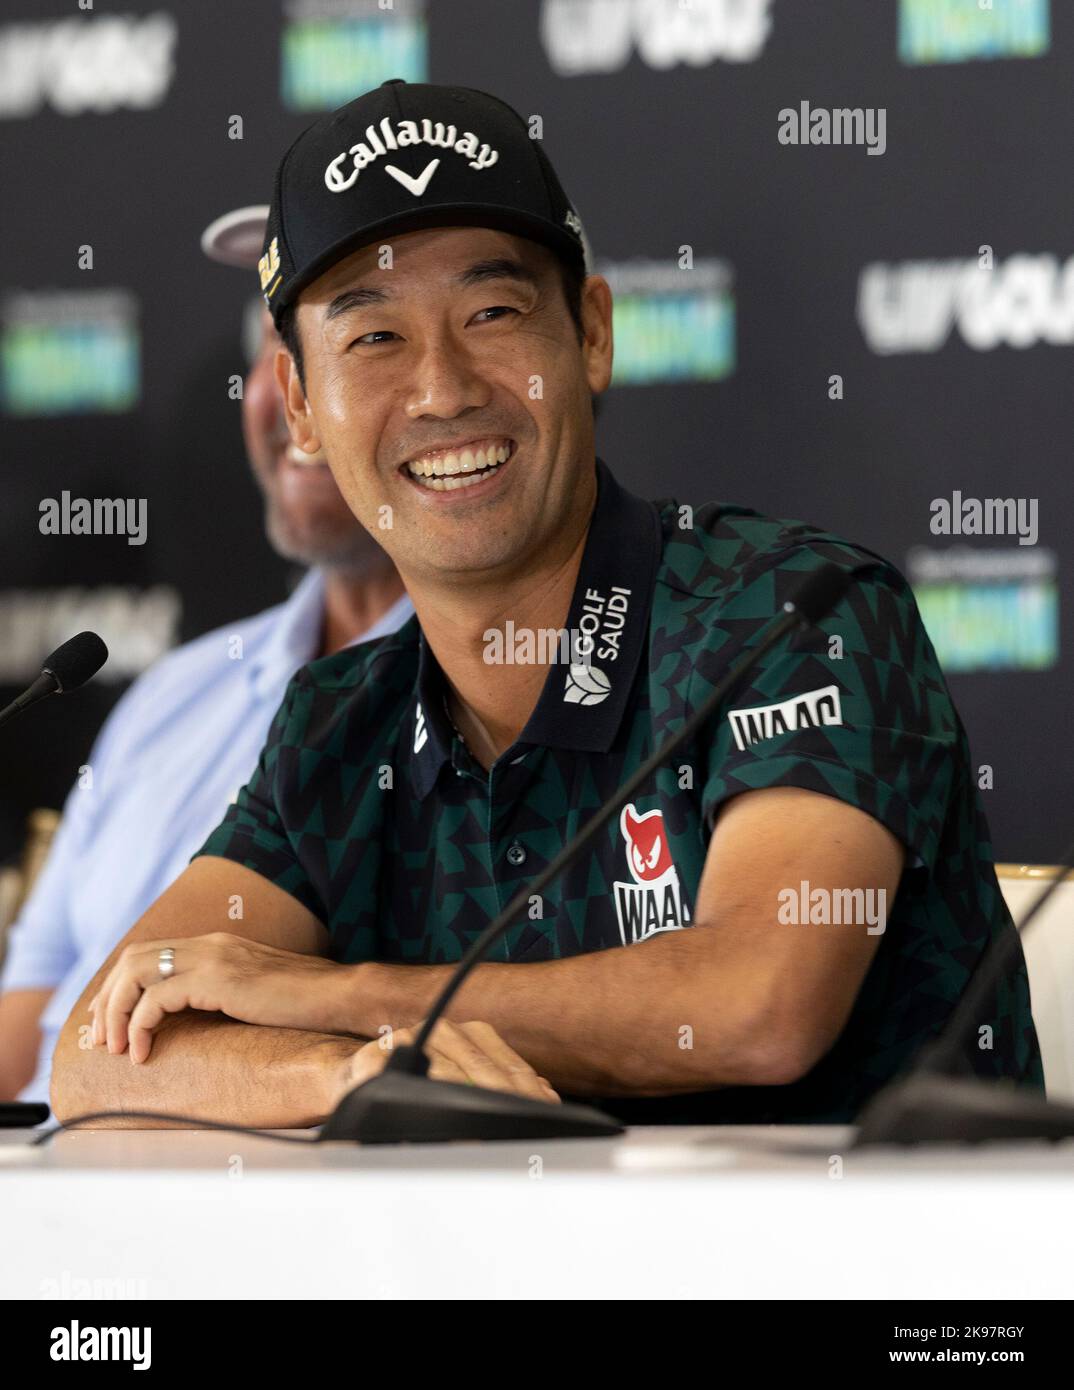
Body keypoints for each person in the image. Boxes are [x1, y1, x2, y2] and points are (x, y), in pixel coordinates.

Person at [52, 79, 1042, 1130]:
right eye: (373, 338)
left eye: (491, 312)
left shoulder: (792, 613)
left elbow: (759, 1003)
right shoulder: (339, 723)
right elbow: (98, 1052)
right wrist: (343, 1073)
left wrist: (337, 998)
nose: (441, 390)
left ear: (593, 335)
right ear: (300, 403)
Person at [0, 207, 414, 1105]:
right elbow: (33, 1007)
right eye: (270, 351)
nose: (289, 400)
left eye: (358, 336)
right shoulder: (169, 696)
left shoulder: (490, 697)